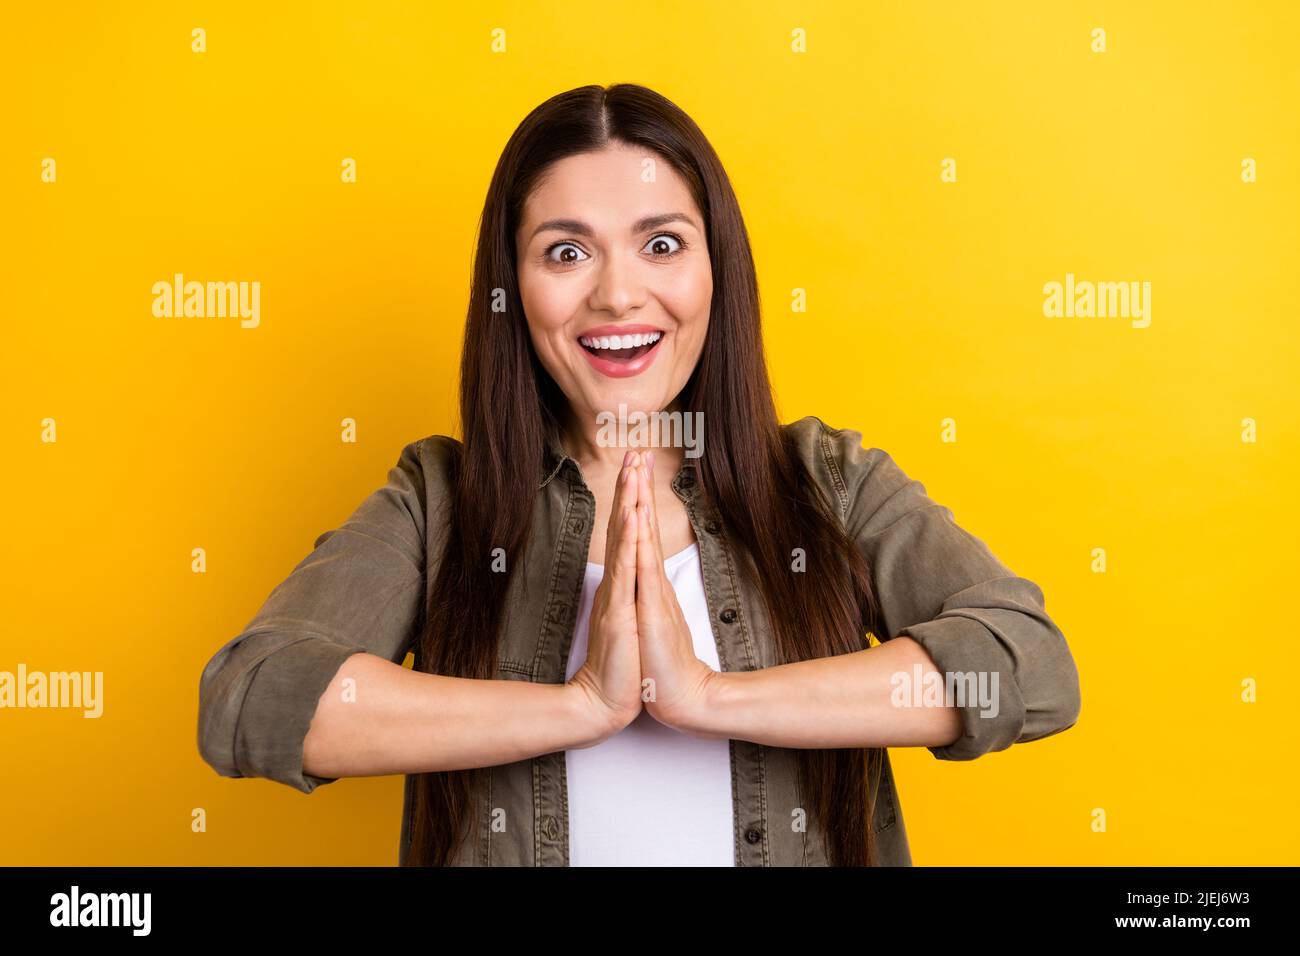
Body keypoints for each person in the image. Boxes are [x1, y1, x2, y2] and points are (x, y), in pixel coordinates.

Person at [197, 83, 1082, 867]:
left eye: (661, 244)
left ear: (715, 270)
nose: (618, 295)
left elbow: (1029, 667)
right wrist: (583, 706)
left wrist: (707, 696)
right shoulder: (441, 501)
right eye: (566, 252)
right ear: (511, 286)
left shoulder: (827, 482)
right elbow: (251, 700)